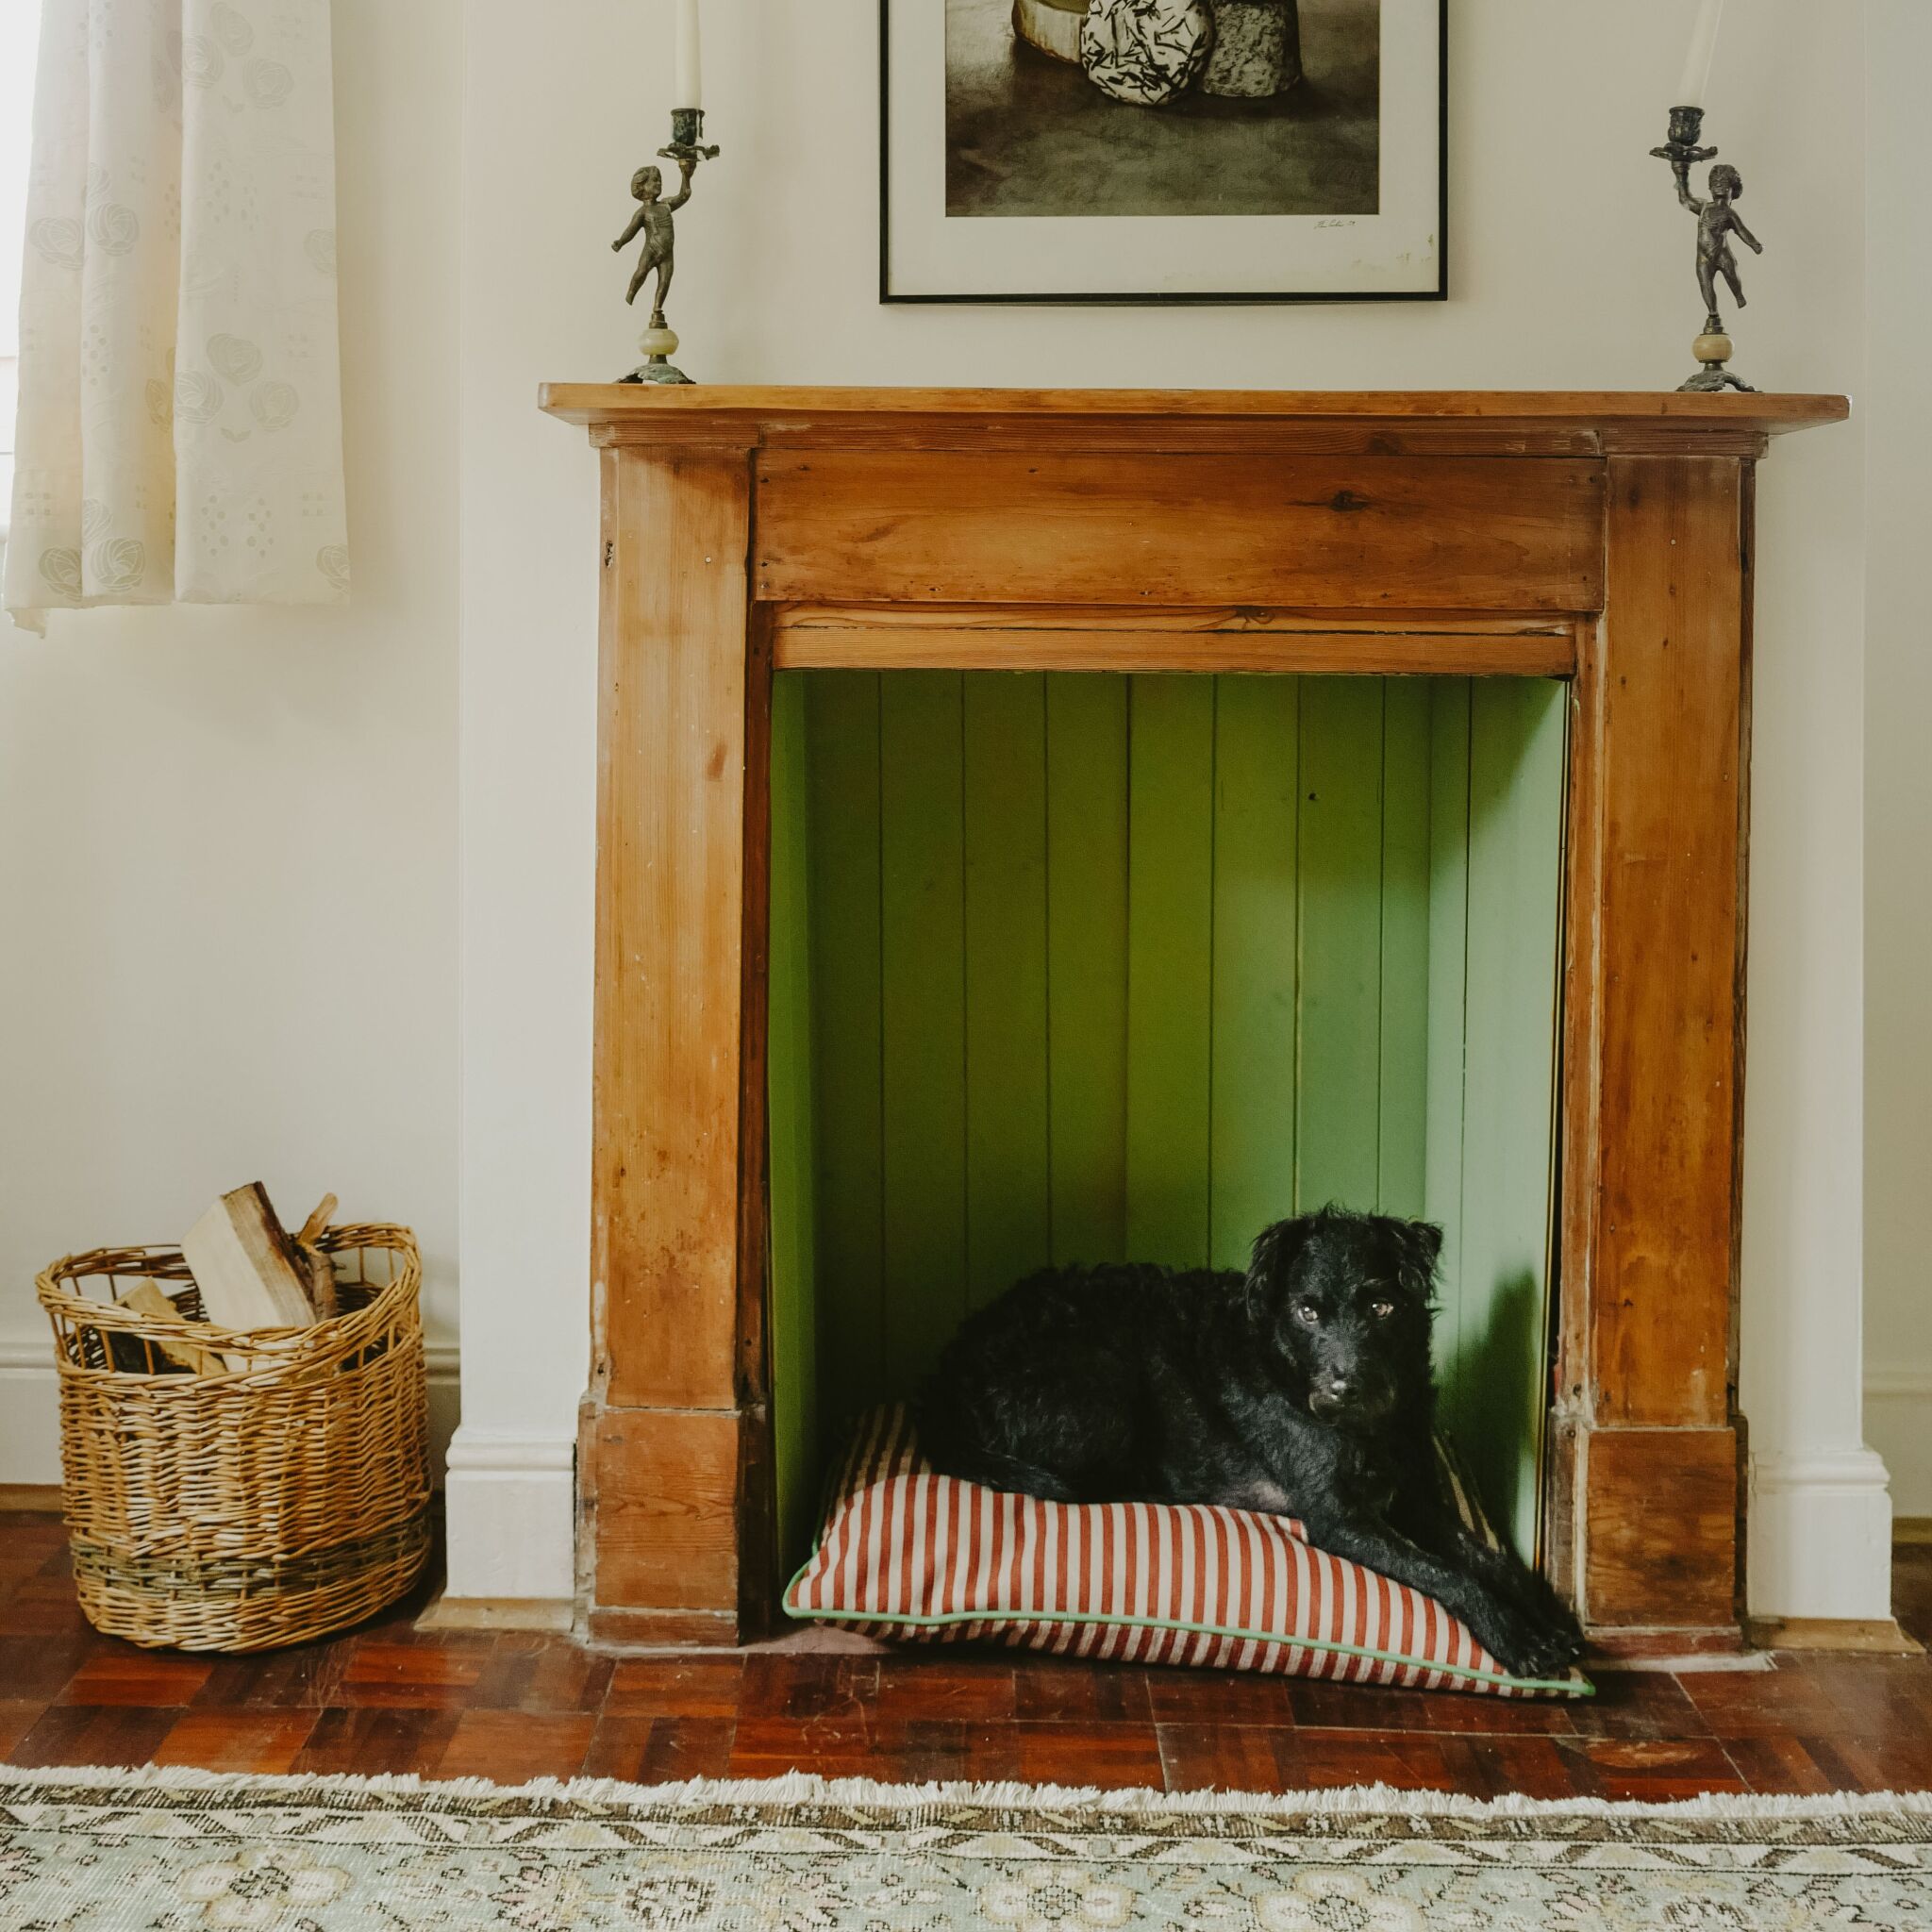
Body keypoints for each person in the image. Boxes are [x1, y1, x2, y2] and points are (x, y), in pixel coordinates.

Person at [612, 159, 697, 326]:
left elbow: (684, 195)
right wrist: (621, 242)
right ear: (642, 188)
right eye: (655, 180)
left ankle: (657, 307)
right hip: (651, 249)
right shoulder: (643, 212)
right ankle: (631, 292)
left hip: (667, 253)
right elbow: (631, 230)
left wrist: (685, 175)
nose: (659, 183)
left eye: (660, 180)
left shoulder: (666, 205)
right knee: (641, 271)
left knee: (665, 280)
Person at [1678, 161, 1762, 330]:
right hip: (1703, 257)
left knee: (1732, 275)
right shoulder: (1702, 207)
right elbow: (1684, 199)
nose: (1719, 186)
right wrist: (1681, 174)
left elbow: (1742, 231)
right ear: (1709, 188)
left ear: (1733, 190)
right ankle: (1713, 312)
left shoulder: (1730, 214)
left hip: (1722, 254)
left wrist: (1754, 244)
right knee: (1705, 283)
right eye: (1715, 183)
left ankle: (1738, 295)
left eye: (1724, 184)